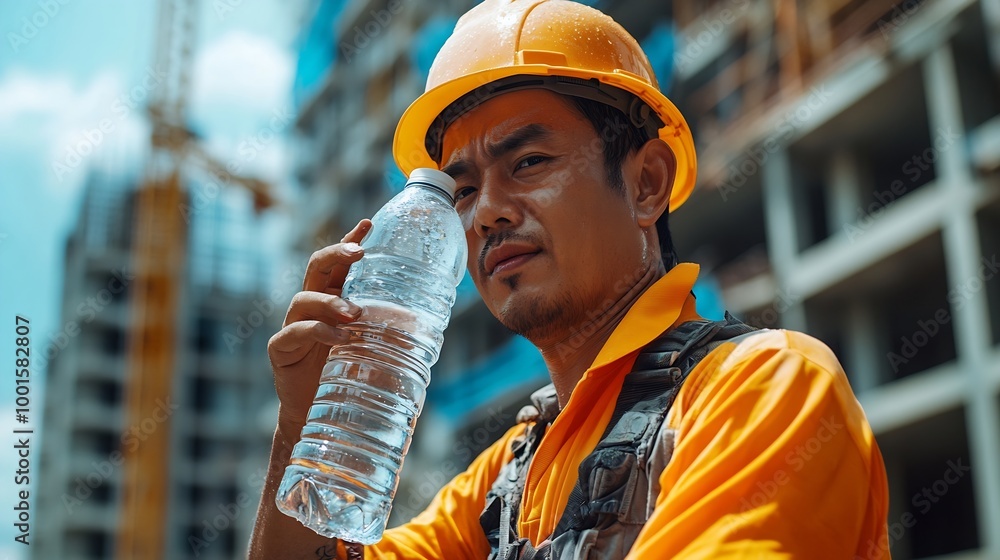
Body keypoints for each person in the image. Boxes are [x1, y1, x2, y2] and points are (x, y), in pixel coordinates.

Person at [250, 0, 890, 558]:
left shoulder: (764, 390)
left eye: (528, 161)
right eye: (463, 190)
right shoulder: (505, 477)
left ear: (645, 184)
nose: (487, 212)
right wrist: (305, 431)